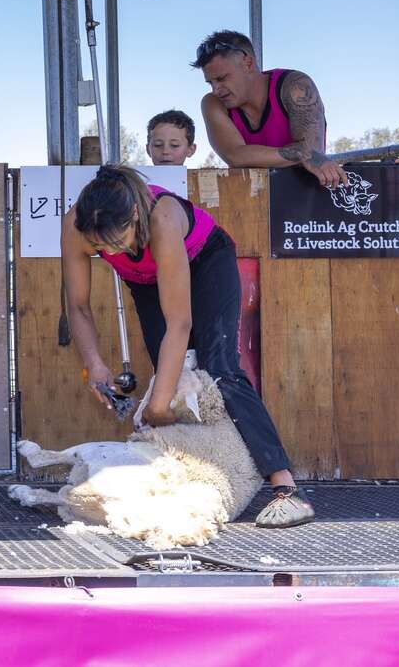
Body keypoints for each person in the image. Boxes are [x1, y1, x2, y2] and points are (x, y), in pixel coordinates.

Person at [61, 165, 315, 528]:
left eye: (118, 242)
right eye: (102, 248)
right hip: (147, 280)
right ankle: (194, 481)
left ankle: (286, 488)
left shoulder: (162, 219)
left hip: (205, 261)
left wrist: (159, 406)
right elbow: (78, 306)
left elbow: (179, 324)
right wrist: (94, 365)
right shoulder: (76, 226)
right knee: (174, 377)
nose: (112, 251)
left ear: (135, 214)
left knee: (219, 366)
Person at [192, 31, 346, 187]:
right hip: (252, 198)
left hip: (305, 196)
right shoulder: (213, 102)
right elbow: (235, 156)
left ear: (248, 63)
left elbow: (313, 152)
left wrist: (304, 153)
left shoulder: (295, 86)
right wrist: (300, 153)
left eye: (221, 78)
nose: (216, 89)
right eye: (210, 82)